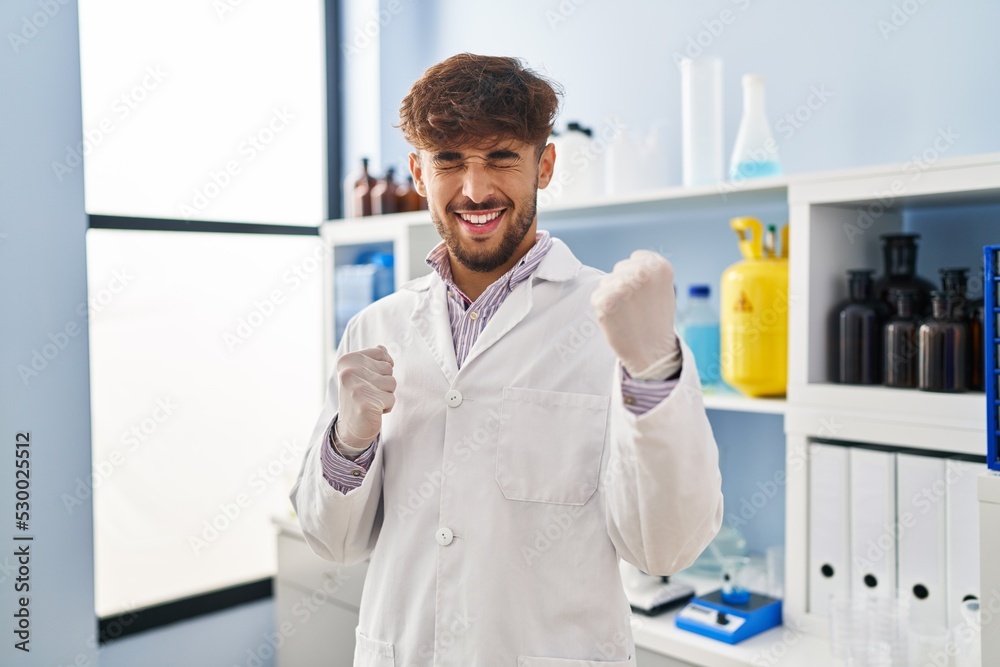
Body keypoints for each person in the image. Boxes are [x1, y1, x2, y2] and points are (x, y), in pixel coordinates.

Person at [290, 53, 723, 666]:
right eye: (448, 162)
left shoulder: (613, 326)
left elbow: (663, 549)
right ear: (418, 171)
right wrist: (350, 439)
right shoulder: (378, 326)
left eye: (500, 158)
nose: (474, 190)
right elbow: (331, 540)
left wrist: (653, 373)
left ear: (544, 164)